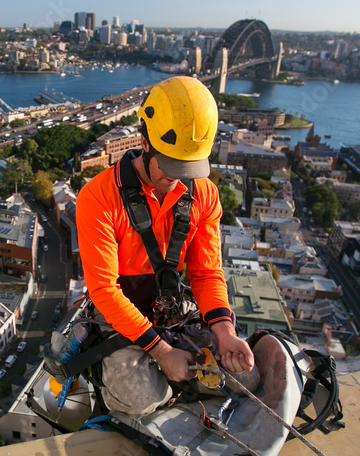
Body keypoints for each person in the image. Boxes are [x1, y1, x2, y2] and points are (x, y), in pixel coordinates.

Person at [76, 76, 257, 417]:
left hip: (172, 307)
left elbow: (205, 272)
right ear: (144, 142)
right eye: (172, 164)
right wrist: (159, 350)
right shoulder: (99, 198)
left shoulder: (203, 194)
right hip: (118, 316)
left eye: (188, 167)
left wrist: (225, 331)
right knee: (140, 401)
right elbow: (104, 290)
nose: (179, 177)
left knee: (246, 376)